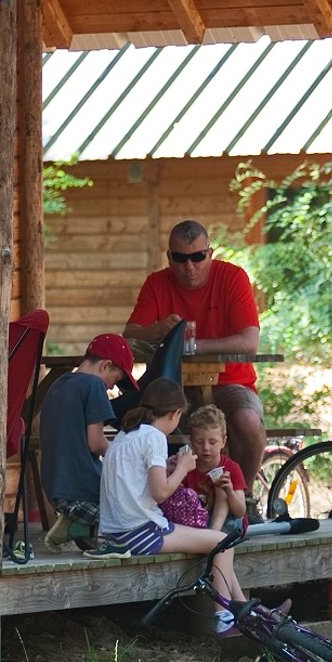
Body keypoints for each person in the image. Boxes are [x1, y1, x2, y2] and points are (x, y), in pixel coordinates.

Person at [124, 220, 267, 501]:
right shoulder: (157, 283)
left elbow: (250, 341)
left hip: (231, 381)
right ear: (169, 257)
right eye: (180, 258)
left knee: (248, 420)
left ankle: (244, 499)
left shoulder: (233, 278)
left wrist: (191, 347)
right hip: (174, 384)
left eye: (198, 257)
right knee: (140, 422)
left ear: (210, 253)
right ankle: (157, 502)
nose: (189, 266)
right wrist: (158, 330)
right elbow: (130, 334)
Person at [98, 378, 249, 635]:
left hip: (114, 531)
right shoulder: (155, 437)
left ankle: (246, 612)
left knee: (214, 542)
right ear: (175, 413)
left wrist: (168, 469)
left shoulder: (126, 433)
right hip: (139, 531)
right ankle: (225, 620)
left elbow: (139, 482)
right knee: (222, 543)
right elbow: (160, 493)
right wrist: (183, 468)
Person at [38, 332, 135, 550]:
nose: (112, 387)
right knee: (135, 520)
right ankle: (82, 528)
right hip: (83, 491)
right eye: (116, 379)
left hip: (57, 491)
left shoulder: (58, 384)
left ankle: (80, 526)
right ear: (105, 365)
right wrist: (127, 455)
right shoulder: (93, 386)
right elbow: (97, 443)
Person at [181, 404, 247, 532]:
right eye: (199, 442)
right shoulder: (187, 466)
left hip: (229, 523)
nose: (206, 448)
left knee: (221, 485)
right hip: (196, 522)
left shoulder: (231, 468)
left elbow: (240, 512)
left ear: (223, 442)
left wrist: (230, 491)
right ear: (191, 441)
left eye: (212, 442)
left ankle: (214, 533)